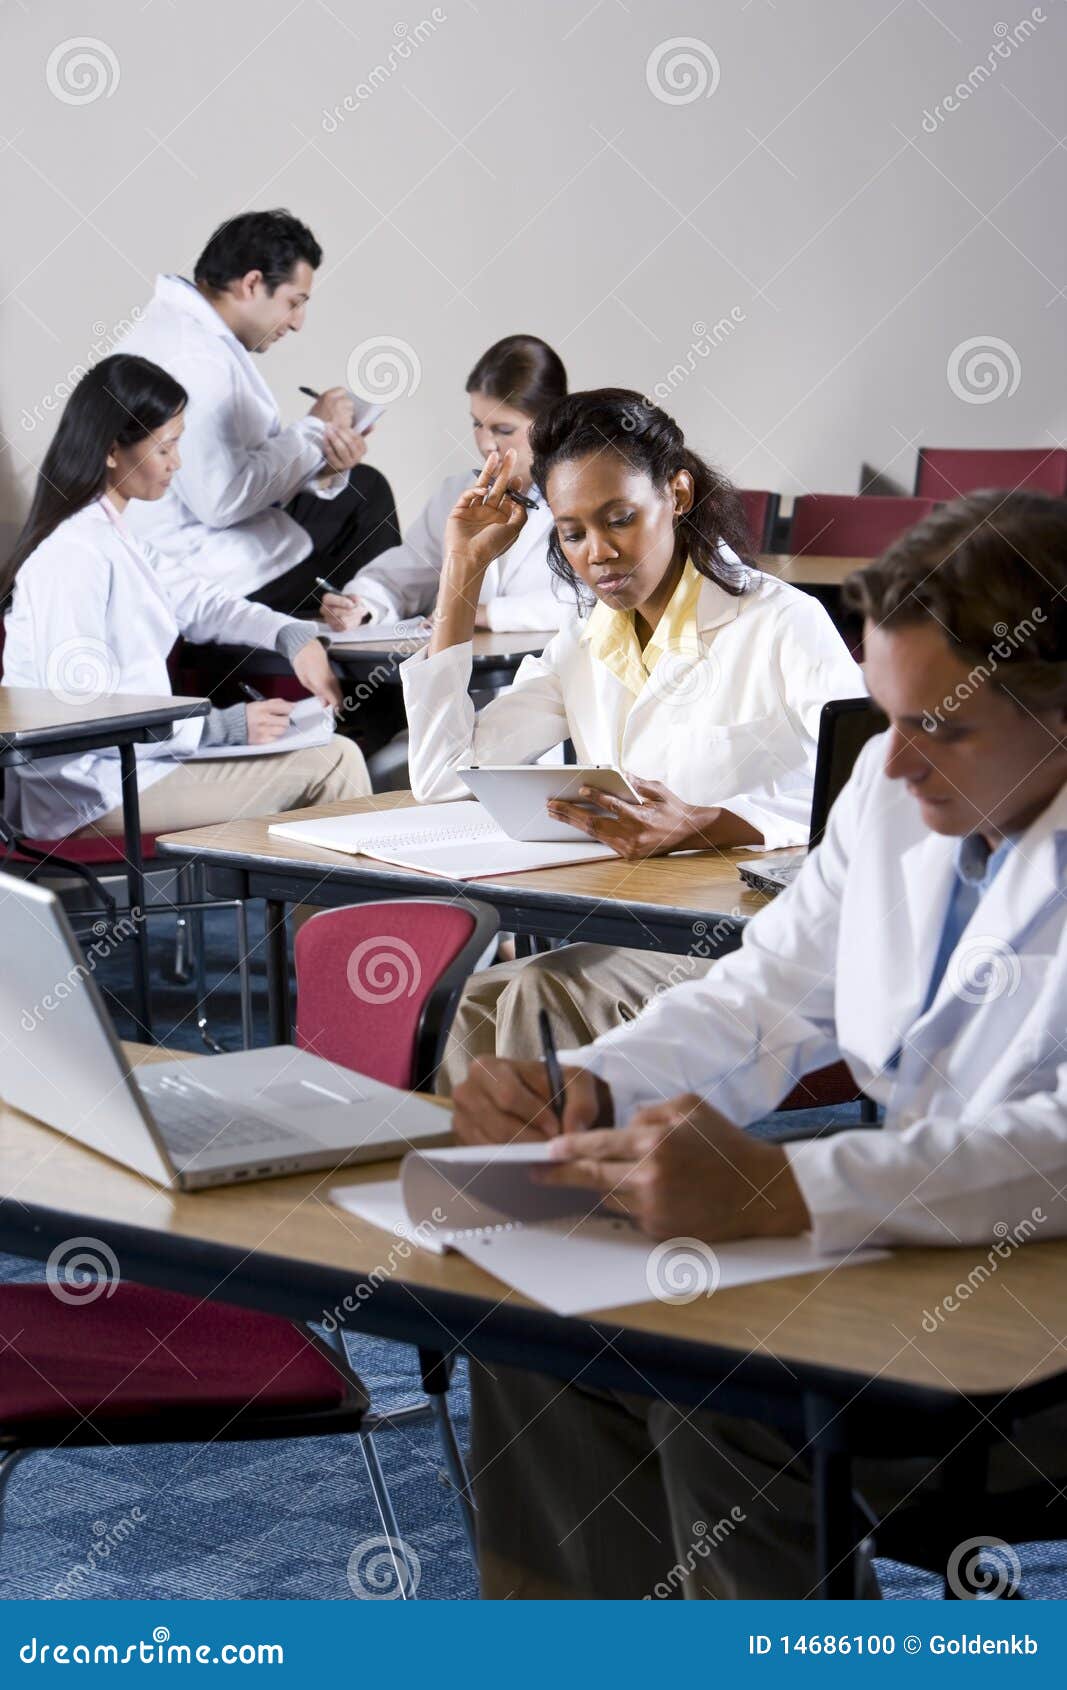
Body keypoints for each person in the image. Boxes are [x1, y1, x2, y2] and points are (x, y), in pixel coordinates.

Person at [450, 490, 1067, 1600]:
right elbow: (760, 996)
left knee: (727, 1391)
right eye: (887, 716)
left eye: (942, 726)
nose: (893, 765)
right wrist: (587, 1088)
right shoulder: (895, 802)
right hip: (925, 1254)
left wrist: (787, 1187)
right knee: (535, 1330)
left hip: (1039, 1327)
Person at [399, 390, 864, 1088]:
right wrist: (462, 573)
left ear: (676, 493)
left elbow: (868, 793)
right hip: (634, 928)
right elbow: (443, 777)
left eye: (619, 519)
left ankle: (561, 1190)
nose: (599, 553)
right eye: (571, 533)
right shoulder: (583, 641)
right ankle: (480, 1192)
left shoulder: (779, 622)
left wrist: (716, 823)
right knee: (469, 1002)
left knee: (536, 994)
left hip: (761, 939)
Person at [0, 356, 369, 841]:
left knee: (331, 755)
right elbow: (80, 708)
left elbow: (200, 601)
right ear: (114, 450)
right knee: (333, 762)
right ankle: (351, 921)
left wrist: (289, 634)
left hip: (133, 768)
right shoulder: (74, 553)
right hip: (88, 792)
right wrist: (219, 728)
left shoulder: (113, 535)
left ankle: (327, 917)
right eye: (166, 447)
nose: (177, 464)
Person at [117, 209, 400, 615]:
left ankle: (370, 633)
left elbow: (233, 472)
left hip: (209, 534)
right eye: (294, 303)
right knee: (353, 596)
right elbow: (222, 501)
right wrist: (314, 428)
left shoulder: (185, 331)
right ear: (251, 283)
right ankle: (371, 650)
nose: (298, 322)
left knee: (363, 489)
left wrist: (324, 464)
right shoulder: (193, 359)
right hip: (200, 566)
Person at [321, 335, 569, 634]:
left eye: (503, 429)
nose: (486, 443)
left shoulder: (583, 495)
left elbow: (599, 600)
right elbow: (402, 576)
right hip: (471, 672)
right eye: (477, 424)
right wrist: (362, 605)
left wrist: (489, 614)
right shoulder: (458, 492)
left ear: (551, 421)